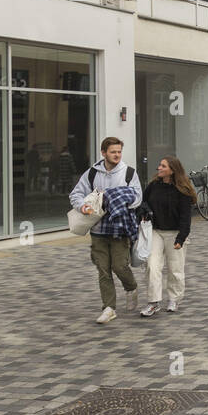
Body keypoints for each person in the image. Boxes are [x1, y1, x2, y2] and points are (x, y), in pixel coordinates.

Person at [69, 136, 143, 324]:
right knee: (103, 270)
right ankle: (109, 308)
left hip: (120, 230)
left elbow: (138, 198)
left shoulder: (128, 173)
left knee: (119, 266)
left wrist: (118, 199)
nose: (117, 155)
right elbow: (76, 194)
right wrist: (82, 206)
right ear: (103, 153)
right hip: (98, 230)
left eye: (119, 152)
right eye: (113, 152)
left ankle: (131, 286)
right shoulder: (92, 173)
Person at [139, 155, 195, 317]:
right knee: (152, 265)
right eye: (160, 165)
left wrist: (181, 238)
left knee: (175, 268)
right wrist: (143, 212)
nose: (159, 168)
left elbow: (186, 217)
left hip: (175, 233)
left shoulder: (182, 190)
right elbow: (143, 202)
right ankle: (153, 302)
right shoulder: (153, 186)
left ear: (172, 170)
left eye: (163, 166)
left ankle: (174, 299)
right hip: (156, 231)